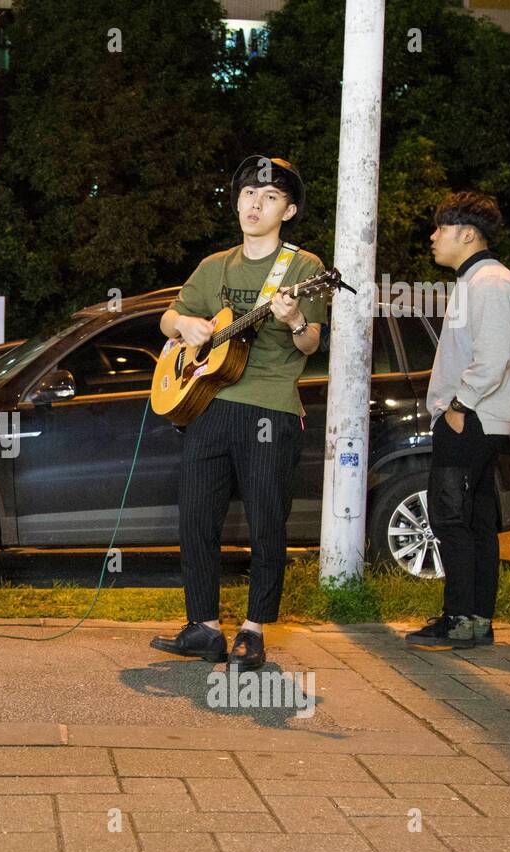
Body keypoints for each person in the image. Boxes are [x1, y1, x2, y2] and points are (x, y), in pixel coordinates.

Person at [149, 155, 327, 671]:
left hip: (269, 409)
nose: (255, 203)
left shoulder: (304, 269)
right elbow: (167, 319)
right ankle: (203, 626)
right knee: (196, 518)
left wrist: (294, 319)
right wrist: (186, 325)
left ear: (288, 211)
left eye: (270, 197)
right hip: (208, 406)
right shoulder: (215, 266)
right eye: (249, 193)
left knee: (267, 522)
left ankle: (254, 630)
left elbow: (311, 342)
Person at [406, 192, 510, 651]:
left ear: (467, 234)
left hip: (472, 418)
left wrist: (458, 406)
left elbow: (492, 358)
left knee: (450, 516)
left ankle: (459, 619)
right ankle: (474, 621)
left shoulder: (489, 282)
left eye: (441, 228)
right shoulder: (476, 280)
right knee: (473, 520)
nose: (433, 237)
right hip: (476, 417)